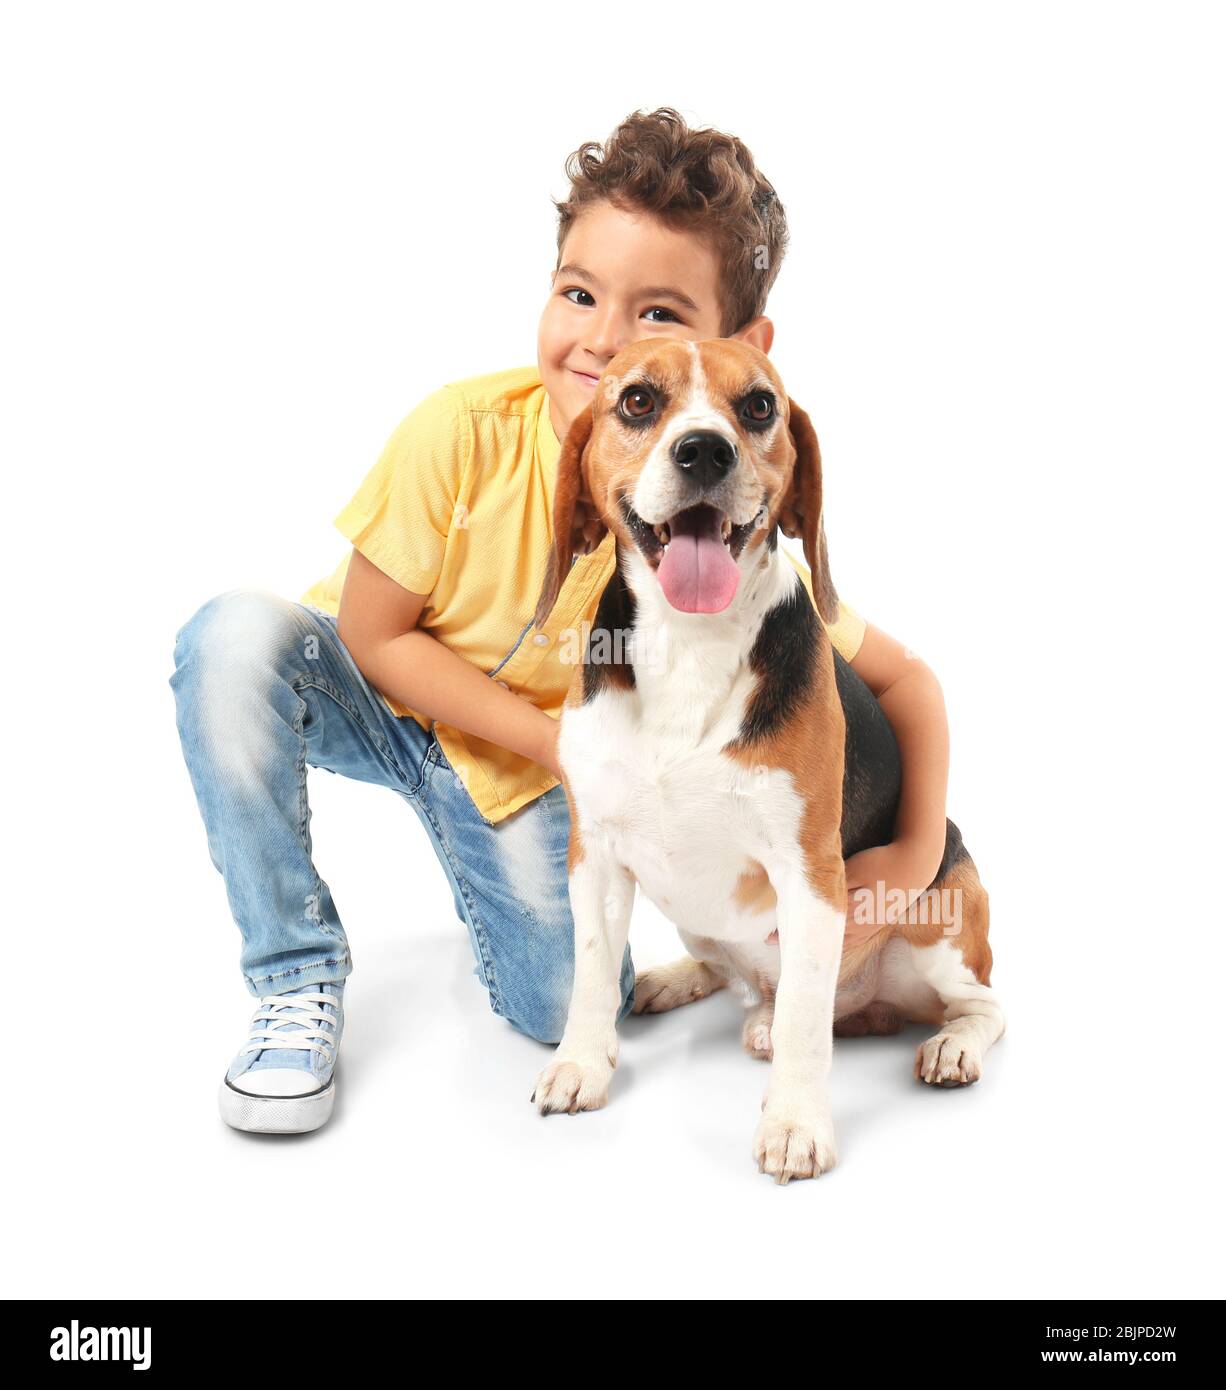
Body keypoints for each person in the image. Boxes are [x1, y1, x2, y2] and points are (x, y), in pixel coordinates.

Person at [170, 107, 950, 1135]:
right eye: (578, 293)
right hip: (379, 702)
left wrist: (916, 852)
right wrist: (558, 743)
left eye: (658, 314)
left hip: (517, 781)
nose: (602, 337)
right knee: (231, 641)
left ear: (746, 351)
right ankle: (290, 975)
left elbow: (902, 683)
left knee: (558, 1004)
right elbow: (372, 636)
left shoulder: (712, 528)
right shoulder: (458, 432)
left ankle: (477, 855)